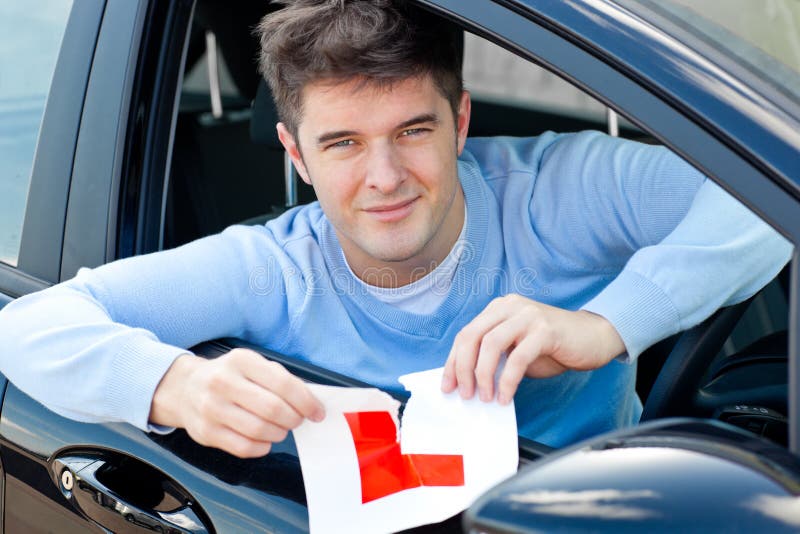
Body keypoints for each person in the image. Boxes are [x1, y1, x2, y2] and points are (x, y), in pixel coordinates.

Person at [0, 0, 791, 458]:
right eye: (341, 144)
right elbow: (27, 327)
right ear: (296, 155)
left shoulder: (558, 190)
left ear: (461, 121)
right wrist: (179, 385)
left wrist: (605, 326)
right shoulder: (273, 267)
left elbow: (769, 193)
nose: (383, 178)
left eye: (413, 131)